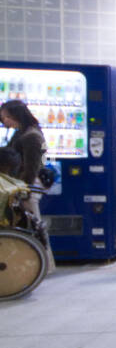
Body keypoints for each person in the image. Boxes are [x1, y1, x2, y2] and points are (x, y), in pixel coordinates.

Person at [0, 99, 53, 265]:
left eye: (6, 117)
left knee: (34, 226)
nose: (4, 121)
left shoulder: (30, 136)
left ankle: (42, 264)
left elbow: (31, 168)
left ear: (16, 116)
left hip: (27, 187)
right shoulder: (24, 132)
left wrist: (21, 190)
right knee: (31, 226)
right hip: (22, 186)